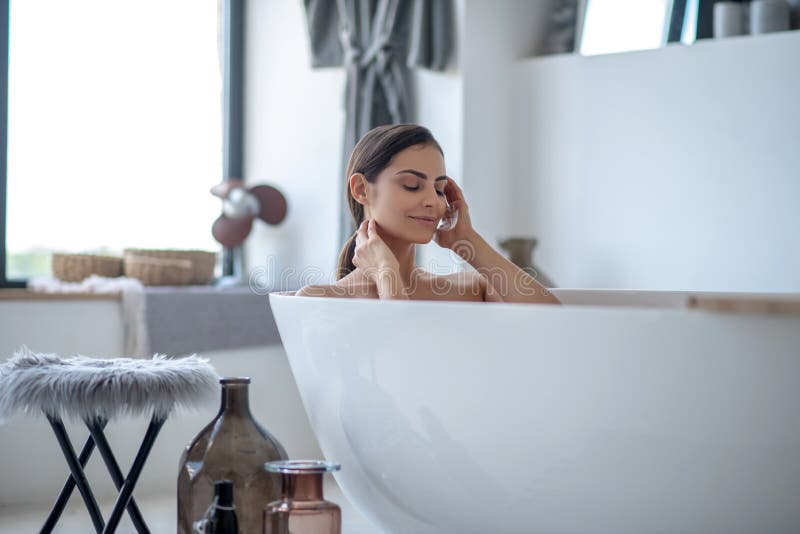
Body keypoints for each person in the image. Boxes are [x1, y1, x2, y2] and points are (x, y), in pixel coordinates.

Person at [295, 124, 560, 304]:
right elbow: (406, 360)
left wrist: (467, 241)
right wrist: (387, 274)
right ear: (361, 189)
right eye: (412, 185)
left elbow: (557, 327)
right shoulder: (319, 300)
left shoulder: (471, 289)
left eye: (440, 189)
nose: (433, 201)